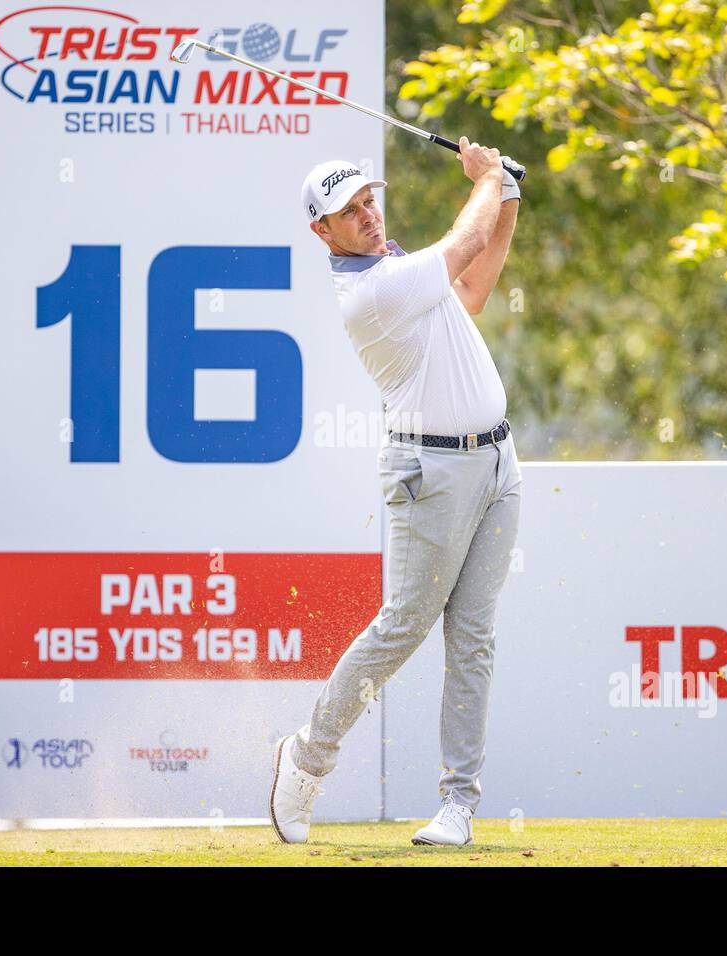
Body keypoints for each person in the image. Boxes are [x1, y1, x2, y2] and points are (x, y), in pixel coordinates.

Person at [271, 139, 523, 846]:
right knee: (405, 625)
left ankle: (457, 808)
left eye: (368, 201)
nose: (368, 216)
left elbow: (474, 286)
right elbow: (466, 238)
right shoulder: (371, 292)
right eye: (349, 213)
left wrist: (509, 199)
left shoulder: (395, 265)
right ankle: (307, 756)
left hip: (498, 465)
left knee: (473, 637)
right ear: (322, 232)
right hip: (431, 474)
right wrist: (488, 180)